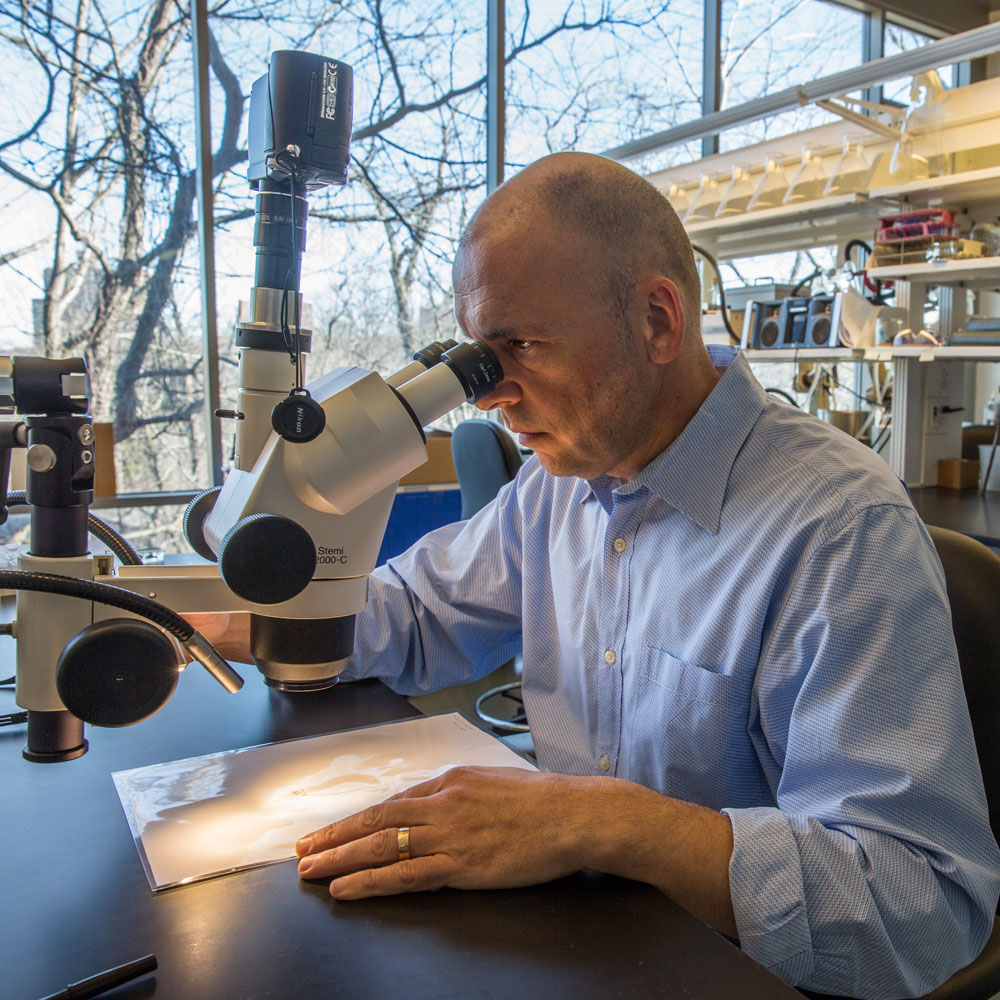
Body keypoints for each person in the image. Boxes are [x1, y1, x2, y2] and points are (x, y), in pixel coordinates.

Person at [196, 152, 1000, 999]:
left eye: (520, 347)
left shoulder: (838, 530)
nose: (489, 395)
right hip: (594, 939)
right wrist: (239, 620)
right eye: (478, 357)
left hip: (745, 971)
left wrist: (602, 822)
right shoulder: (554, 488)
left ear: (657, 321)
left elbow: (919, 906)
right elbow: (420, 614)